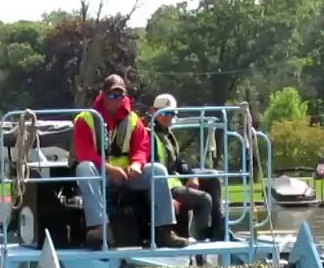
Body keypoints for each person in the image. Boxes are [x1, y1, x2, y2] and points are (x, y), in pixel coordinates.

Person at [71, 75, 188, 249]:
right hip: (101, 174)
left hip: (128, 174)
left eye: (120, 96)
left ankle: (165, 231)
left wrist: (137, 164)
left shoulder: (133, 119)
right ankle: (99, 229)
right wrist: (109, 169)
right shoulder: (85, 119)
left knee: (157, 170)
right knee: (84, 168)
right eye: (112, 96)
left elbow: (142, 147)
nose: (117, 100)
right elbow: (84, 153)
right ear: (103, 94)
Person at [150, 93, 227, 243]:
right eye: (164, 113)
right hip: (166, 187)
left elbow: (179, 162)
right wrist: (167, 198)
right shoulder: (148, 136)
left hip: (175, 181)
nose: (168, 117)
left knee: (212, 179)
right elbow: (152, 173)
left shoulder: (168, 135)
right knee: (205, 199)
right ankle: (197, 238)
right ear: (153, 112)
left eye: (172, 114)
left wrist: (192, 176)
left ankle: (220, 231)